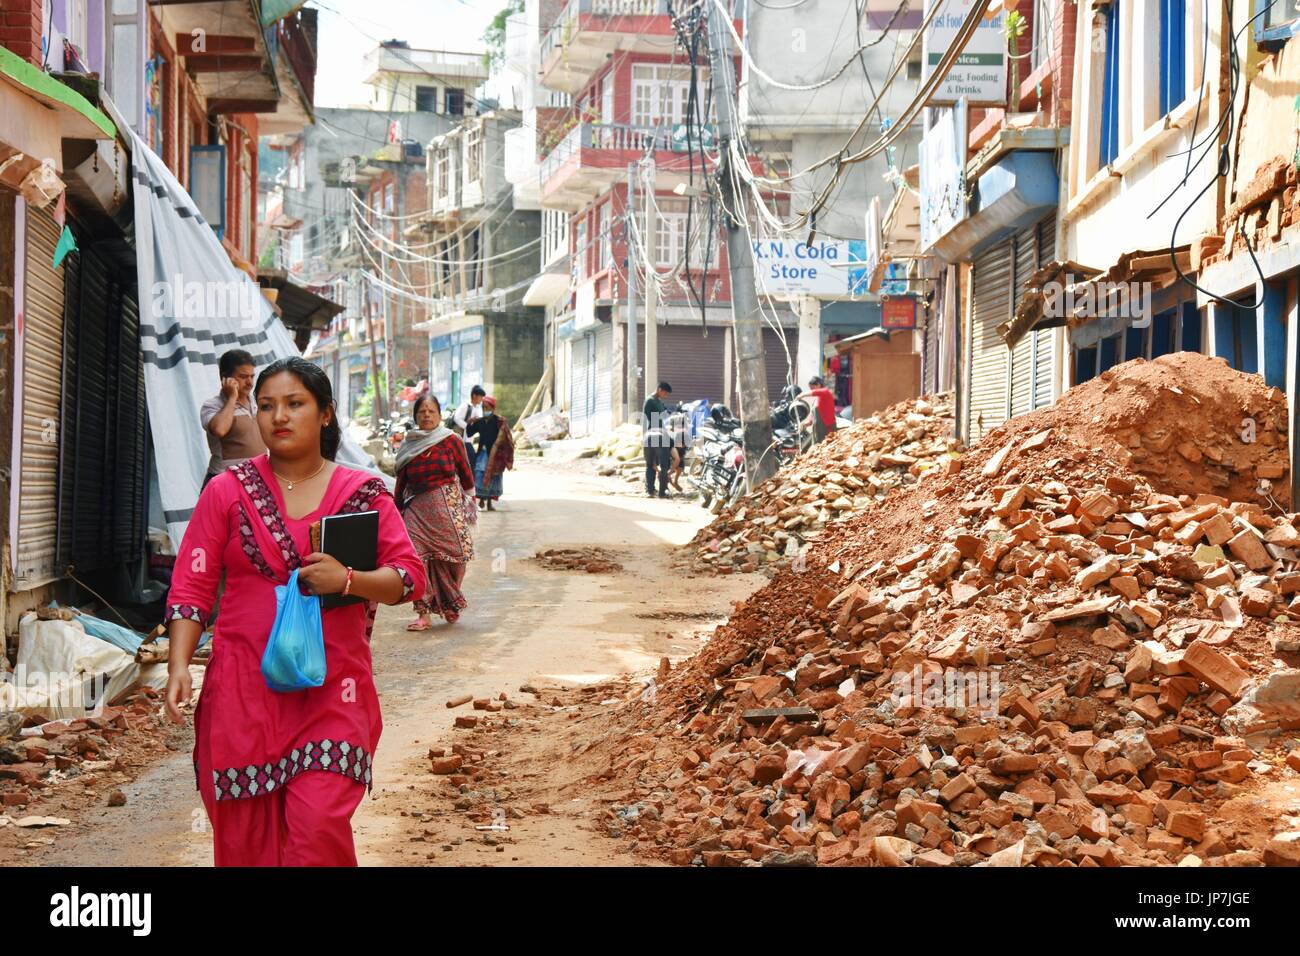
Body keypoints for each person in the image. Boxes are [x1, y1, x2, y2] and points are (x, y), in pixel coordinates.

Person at [163, 356, 427, 867]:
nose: (278, 417)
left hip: (333, 692)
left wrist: (348, 580)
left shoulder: (362, 494)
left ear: (325, 413)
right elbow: (192, 583)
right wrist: (178, 663)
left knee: (318, 828)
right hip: (243, 694)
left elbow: (408, 578)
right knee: (245, 843)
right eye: (266, 406)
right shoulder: (226, 492)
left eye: (294, 404)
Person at [394, 394, 477, 630]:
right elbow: (401, 480)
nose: (427, 415)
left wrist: (471, 500)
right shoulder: (409, 444)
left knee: (458, 557)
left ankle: (450, 602)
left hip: (447, 509)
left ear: (440, 415)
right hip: (416, 511)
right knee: (416, 560)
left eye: (431, 411)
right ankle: (423, 613)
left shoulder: (451, 440)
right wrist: (396, 510)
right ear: (415, 416)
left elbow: (464, 470)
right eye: (422, 412)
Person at [200, 349, 267, 484]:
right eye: (243, 377)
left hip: (256, 479)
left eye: (252, 376)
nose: (250, 383)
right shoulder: (213, 405)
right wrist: (232, 399)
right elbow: (219, 429)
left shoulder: (257, 402)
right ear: (225, 378)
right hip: (224, 481)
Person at [467, 396, 515, 510]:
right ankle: (481, 500)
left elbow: (505, 438)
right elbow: (469, 433)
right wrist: (470, 423)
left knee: (493, 477)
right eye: (483, 408)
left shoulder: (498, 422)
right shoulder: (480, 421)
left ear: (493, 409)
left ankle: (489, 503)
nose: (485, 410)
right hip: (482, 454)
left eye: (487, 408)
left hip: (495, 455)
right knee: (480, 474)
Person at [642, 381, 673, 499]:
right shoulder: (650, 401)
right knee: (663, 465)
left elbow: (665, 413)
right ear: (659, 390)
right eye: (665, 393)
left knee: (650, 464)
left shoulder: (659, 402)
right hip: (655, 434)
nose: (666, 396)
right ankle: (661, 491)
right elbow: (653, 418)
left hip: (650, 435)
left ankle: (650, 490)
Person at [451, 385, 486, 461]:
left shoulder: (477, 408)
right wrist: (467, 425)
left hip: (469, 439)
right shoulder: (465, 406)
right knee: (472, 459)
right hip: (462, 439)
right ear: (474, 396)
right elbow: (456, 418)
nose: (481, 399)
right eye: (480, 396)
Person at [803, 376, 838, 444]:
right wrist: (808, 422)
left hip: (827, 428)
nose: (811, 390)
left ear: (818, 385)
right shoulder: (816, 400)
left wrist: (801, 395)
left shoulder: (826, 392)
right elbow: (813, 414)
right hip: (817, 430)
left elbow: (815, 393)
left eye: (812, 388)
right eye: (810, 388)